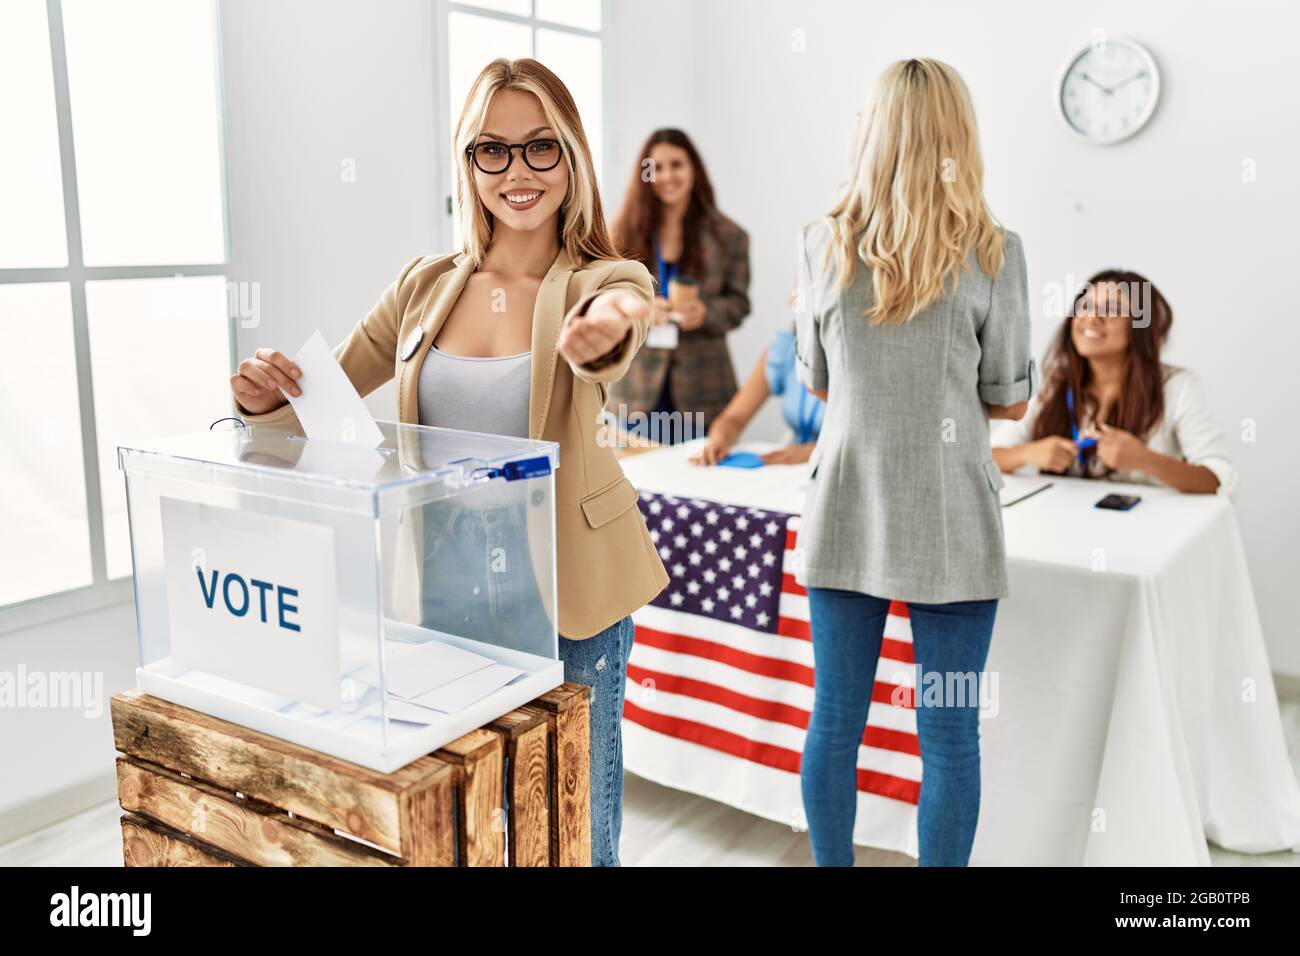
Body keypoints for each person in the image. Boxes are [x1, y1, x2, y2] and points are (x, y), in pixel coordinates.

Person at [229, 58, 668, 866]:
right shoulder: (423, 286)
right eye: (491, 150)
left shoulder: (599, 280)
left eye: (541, 147)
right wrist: (262, 396)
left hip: (567, 597)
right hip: (441, 600)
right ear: (468, 164)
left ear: (571, 156)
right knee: (470, 826)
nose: (518, 171)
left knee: (574, 832)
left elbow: (628, 310)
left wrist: (609, 324)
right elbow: (317, 398)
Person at [794, 58, 1034, 867]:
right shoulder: (997, 252)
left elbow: (819, 382)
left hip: (846, 509)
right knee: (950, 738)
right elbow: (1007, 398)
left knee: (835, 721)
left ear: (872, 132)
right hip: (953, 520)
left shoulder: (819, 245)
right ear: (959, 136)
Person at [992, 270, 1236, 495]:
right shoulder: (1053, 384)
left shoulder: (1178, 387)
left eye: (1111, 309)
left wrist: (1145, 460)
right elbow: (987, 457)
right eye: (1085, 305)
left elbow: (1218, 478)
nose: (1091, 318)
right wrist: (1028, 454)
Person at [609, 128, 751, 443]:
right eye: (656, 167)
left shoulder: (729, 237)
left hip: (704, 393)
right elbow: (601, 300)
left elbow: (739, 304)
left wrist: (706, 312)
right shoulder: (619, 235)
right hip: (636, 393)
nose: (667, 175)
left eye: (676, 165)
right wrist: (640, 311)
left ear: (693, 170)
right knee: (637, 485)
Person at [690, 316, 826, 465]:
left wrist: (816, 451)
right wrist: (718, 440)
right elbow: (733, 418)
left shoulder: (851, 362)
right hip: (790, 471)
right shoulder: (785, 350)